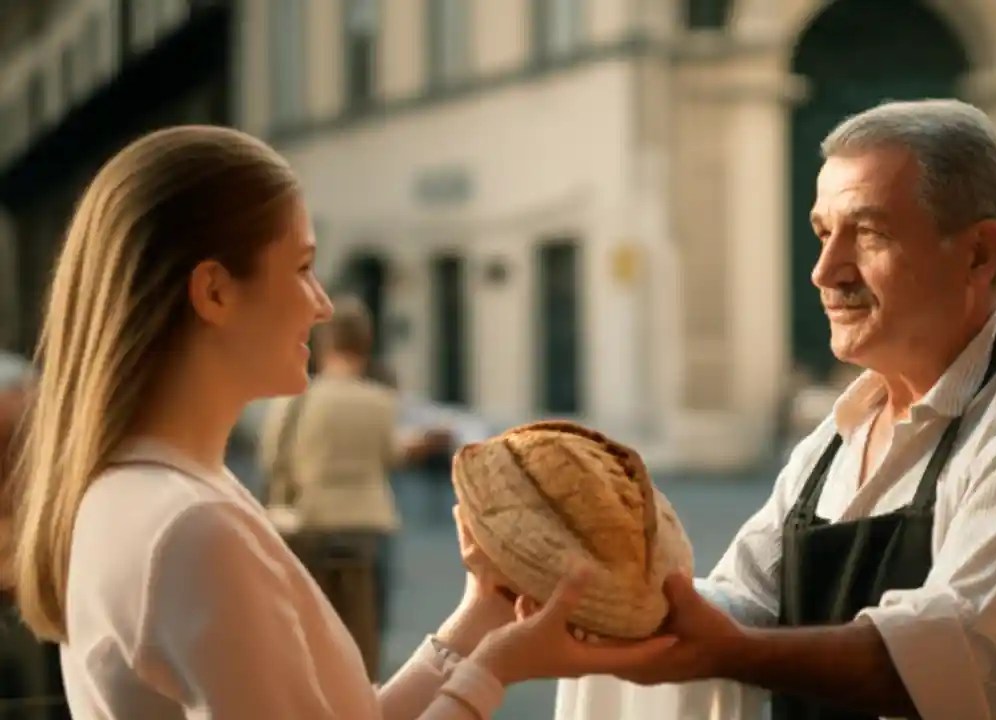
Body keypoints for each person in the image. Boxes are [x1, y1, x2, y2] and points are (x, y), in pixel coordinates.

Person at [8, 125, 672, 719]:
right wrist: (499, 671)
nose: (322, 306)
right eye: (301, 268)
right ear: (213, 291)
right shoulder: (192, 528)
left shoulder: (154, 491)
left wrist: (486, 612)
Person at [564, 99, 996, 719]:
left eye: (868, 233)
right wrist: (602, 594)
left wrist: (727, 652)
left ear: (978, 254)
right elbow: (742, 600)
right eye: (824, 233)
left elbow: (941, 661)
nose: (825, 271)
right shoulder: (835, 439)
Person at [257, 294, 445, 678]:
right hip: (366, 528)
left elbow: (271, 459)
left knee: (309, 639)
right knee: (363, 639)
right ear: (366, 344)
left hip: (309, 525)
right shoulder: (379, 401)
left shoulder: (293, 401)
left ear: (323, 343)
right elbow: (390, 455)